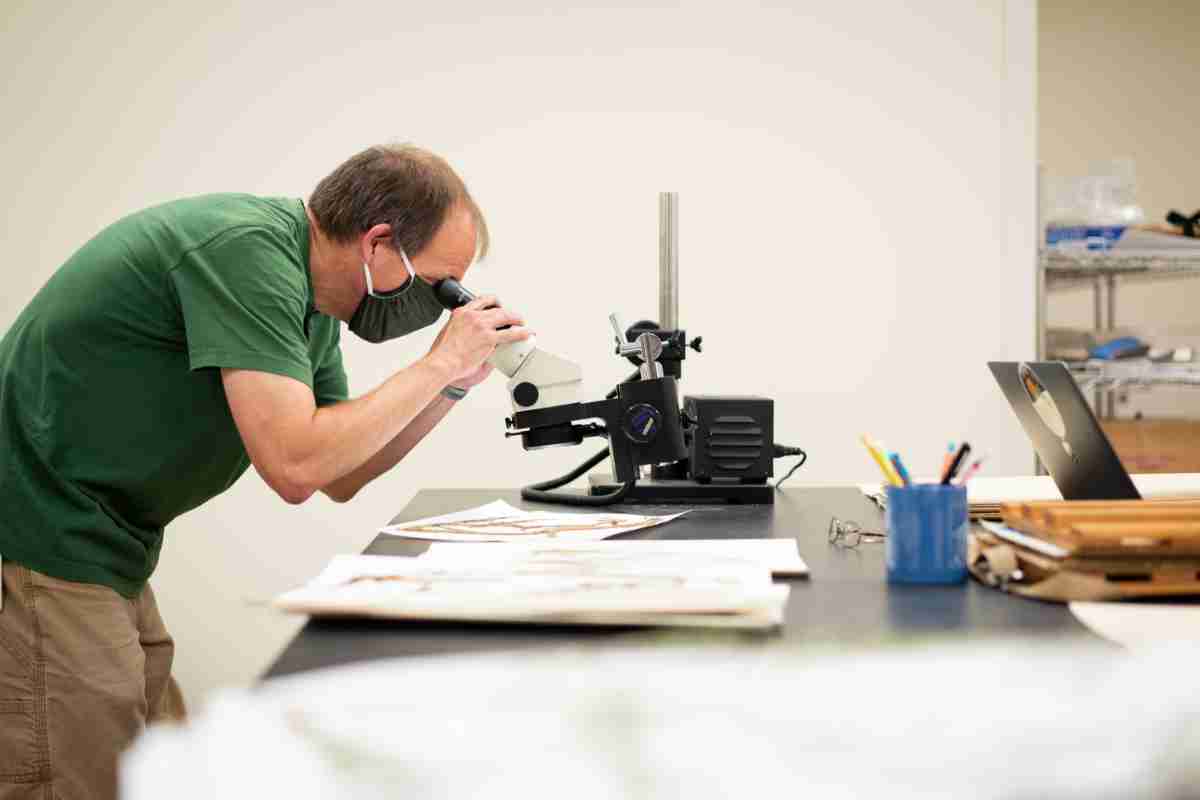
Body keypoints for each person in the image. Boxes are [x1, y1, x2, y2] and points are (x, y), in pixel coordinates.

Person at [0, 143, 529, 800]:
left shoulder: (310, 305)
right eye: (440, 285)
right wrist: (436, 364)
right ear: (379, 244)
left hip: (109, 545)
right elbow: (295, 463)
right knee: (85, 780)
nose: (443, 307)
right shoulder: (245, 254)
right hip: (38, 535)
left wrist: (452, 385)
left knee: (159, 769)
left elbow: (341, 472)